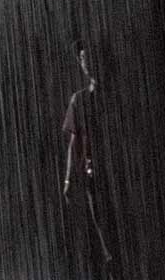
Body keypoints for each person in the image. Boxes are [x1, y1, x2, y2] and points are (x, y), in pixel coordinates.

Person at [62, 39, 120, 278]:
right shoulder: (80, 99)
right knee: (101, 222)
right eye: (83, 59)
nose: (87, 63)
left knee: (113, 221)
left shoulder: (114, 97)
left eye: (89, 57)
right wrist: (68, 178)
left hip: (113, 170)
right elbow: (74, 142)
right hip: (93, 173)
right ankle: (114, 266)